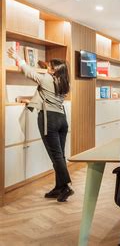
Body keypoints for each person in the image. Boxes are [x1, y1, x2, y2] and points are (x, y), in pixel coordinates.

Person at [7, 47, 73, 202]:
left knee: (55, 156)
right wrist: (31, 101)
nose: (47, 69)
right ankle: (58, 188)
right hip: (62, 119)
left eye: (49, 67)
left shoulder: (47, 79)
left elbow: (29, 72)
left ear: (54, 71)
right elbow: (48, 97)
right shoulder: (64, 82)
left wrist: (17, 57)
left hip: (49, 119)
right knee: (60, 155)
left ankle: (66, 187)